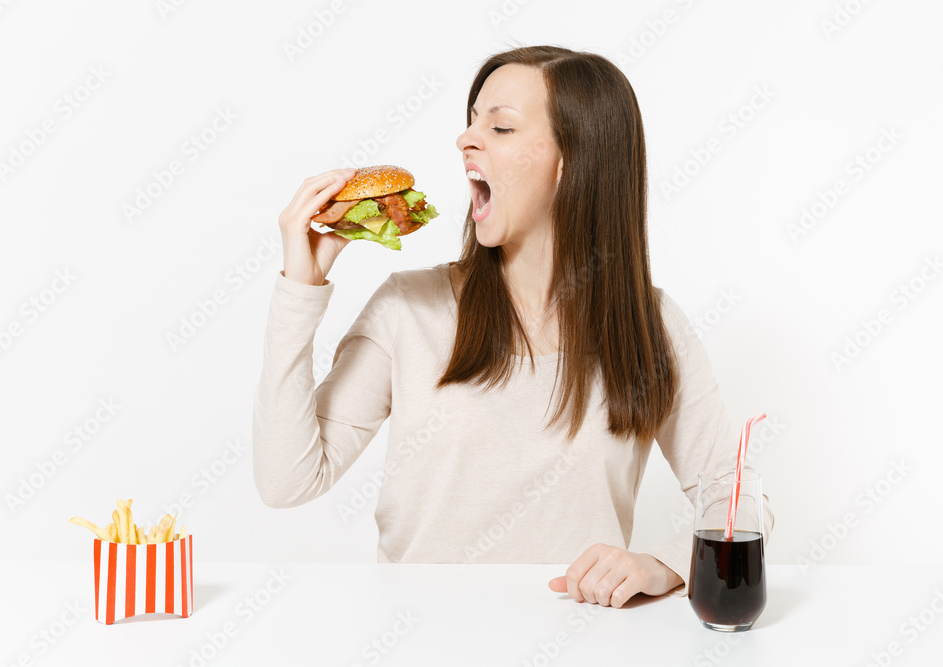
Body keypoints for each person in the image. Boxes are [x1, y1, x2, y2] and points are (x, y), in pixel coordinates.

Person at [253, 45, 773, 608]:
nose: (466, 140)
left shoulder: (650, 325)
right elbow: (288, 481)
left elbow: (739, 499)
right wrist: (298, 291)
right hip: (418, 640)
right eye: (471, 121)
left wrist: (661, 566)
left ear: (573, 161)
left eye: (499, 127)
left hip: (581, 641)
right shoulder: (408, 309)